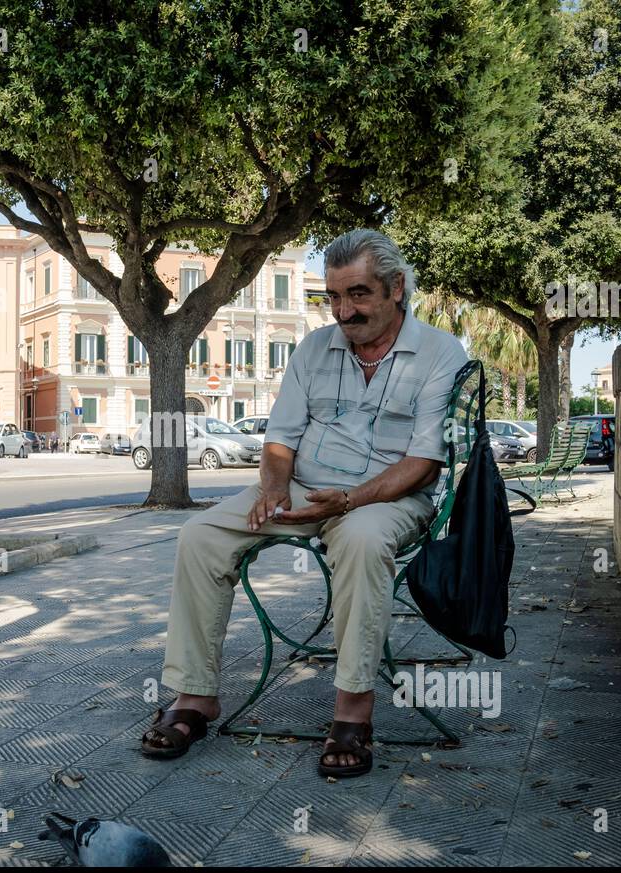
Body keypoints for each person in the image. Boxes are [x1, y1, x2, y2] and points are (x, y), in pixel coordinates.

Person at [141, 228, 468, 778]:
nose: (343, 311)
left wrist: (348, 502)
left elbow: (424, 464)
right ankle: (195, 697)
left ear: (396, 288)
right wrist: (272, 488)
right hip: (301, 489)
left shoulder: (439, 352)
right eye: (334, 297)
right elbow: (280, 437)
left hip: (386, 496)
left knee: (362, 542)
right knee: (200, 537)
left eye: (358, 294)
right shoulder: (314, 348)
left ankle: (352, 712)